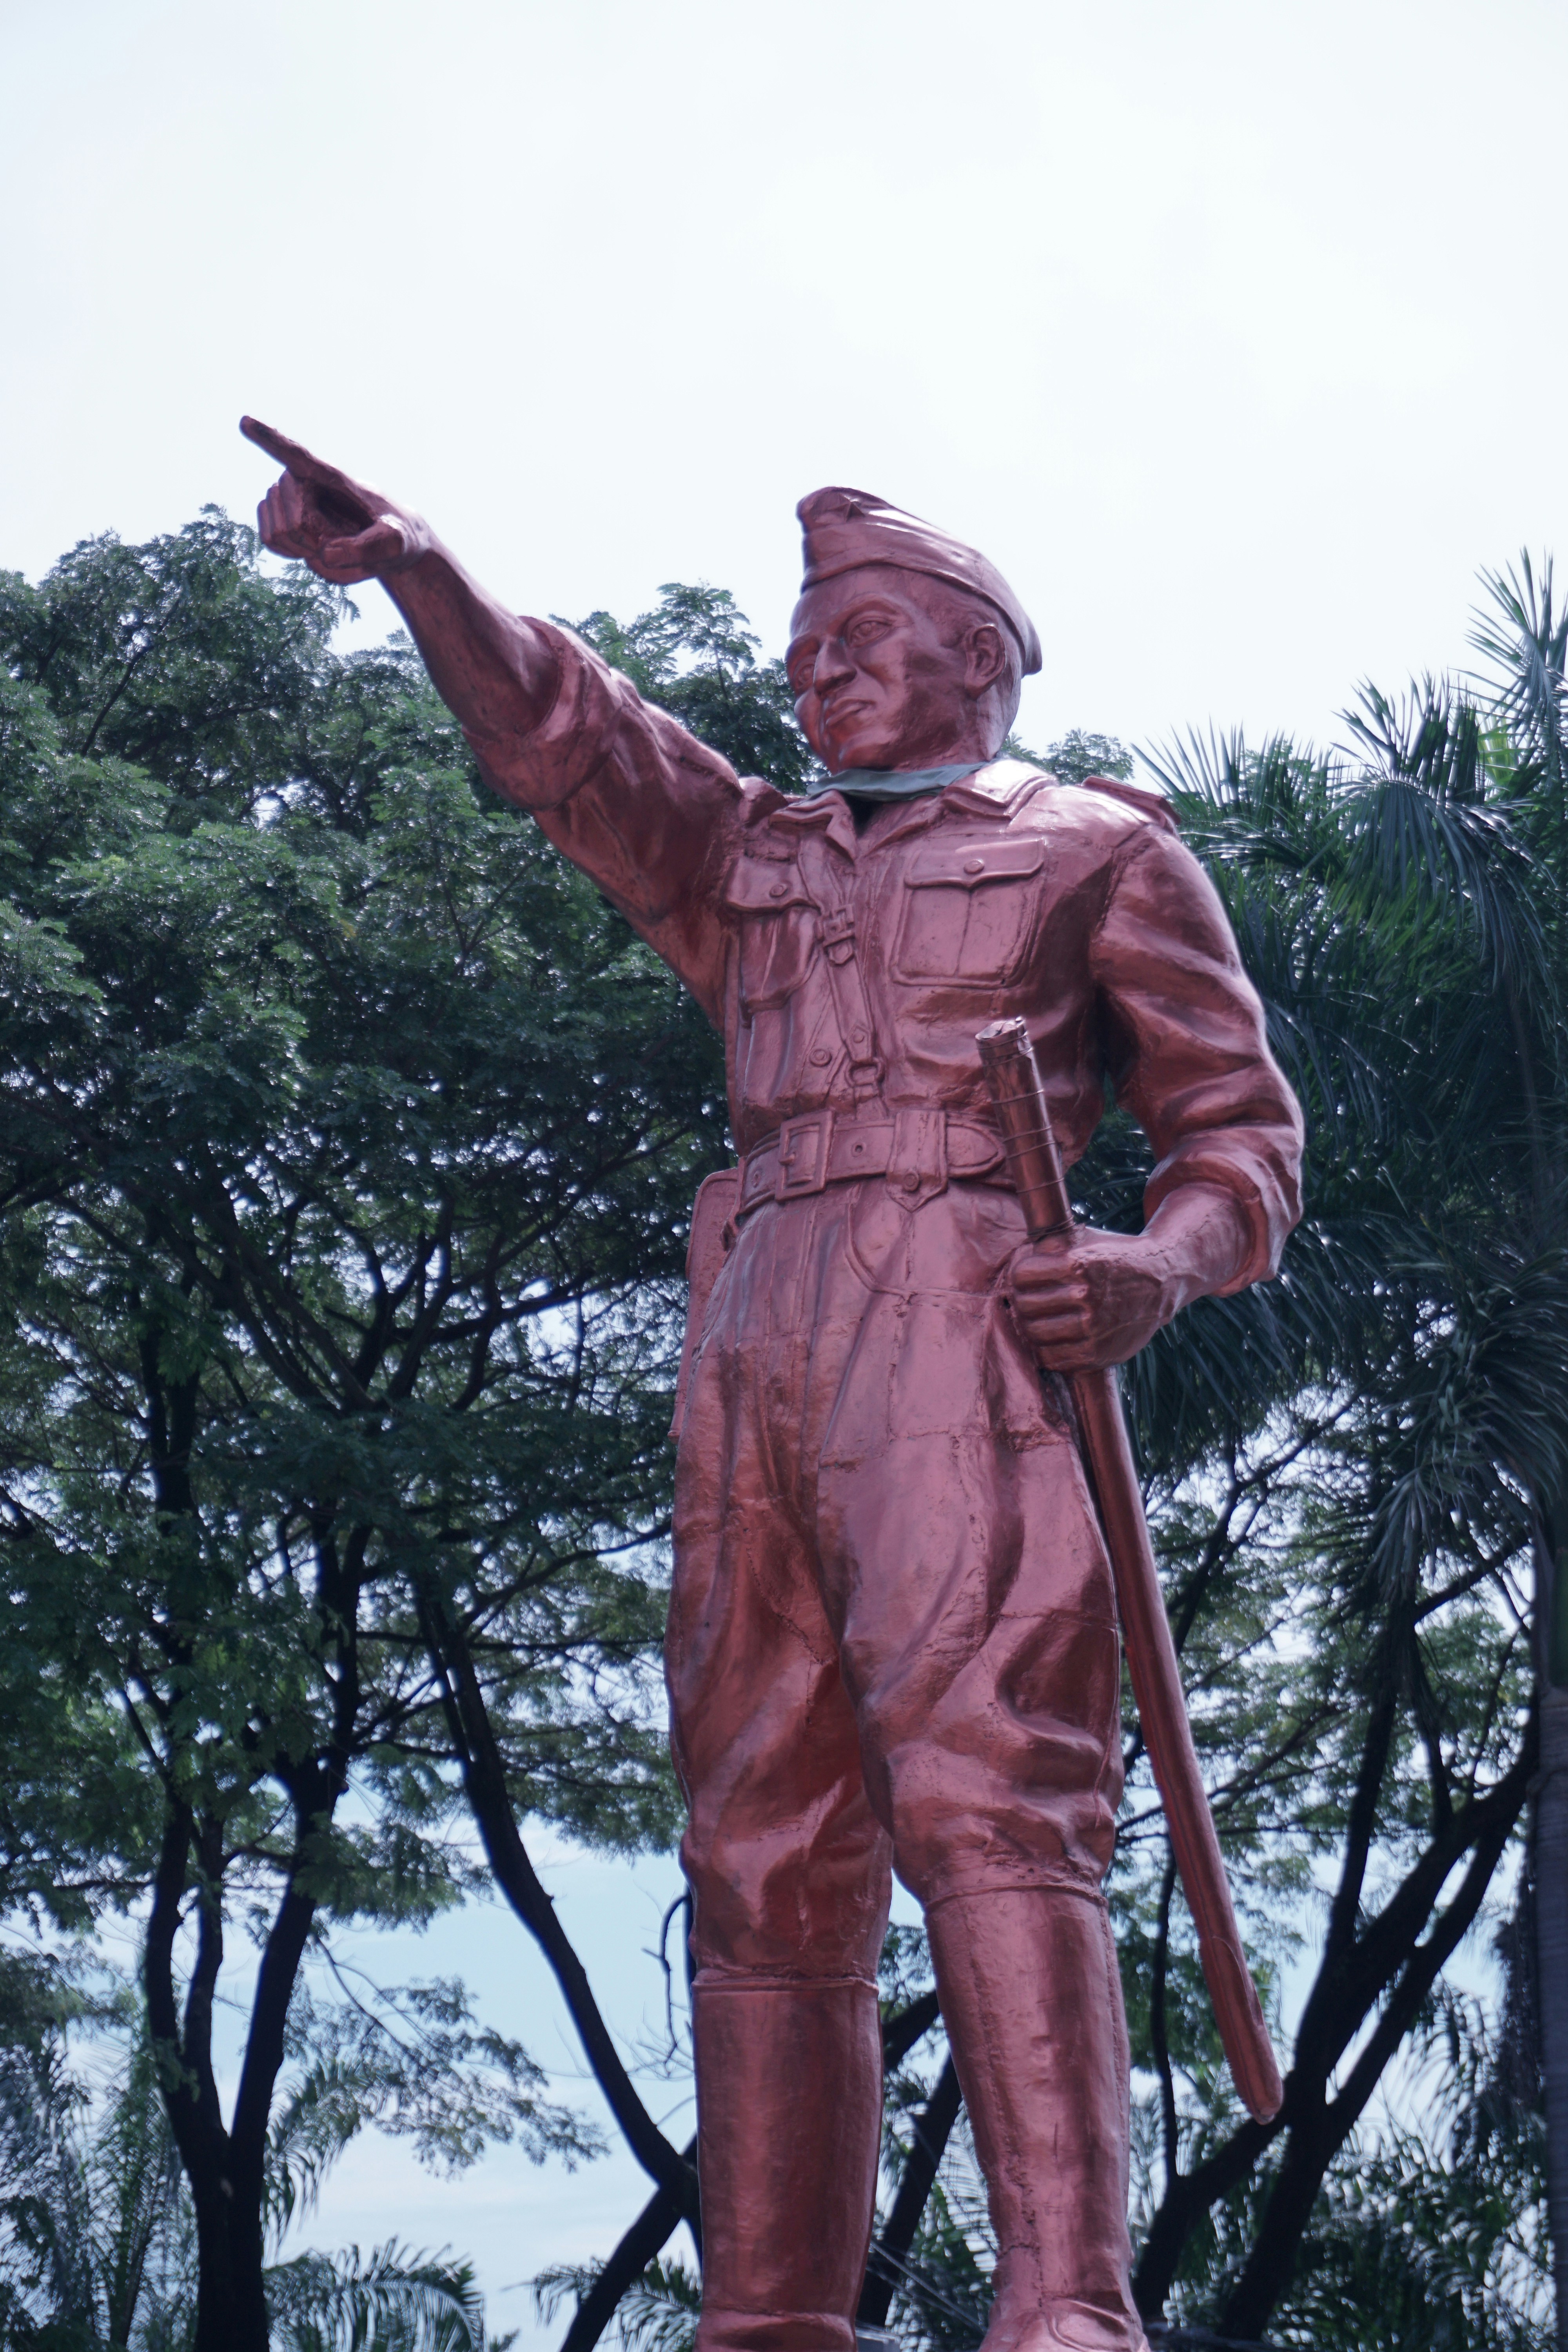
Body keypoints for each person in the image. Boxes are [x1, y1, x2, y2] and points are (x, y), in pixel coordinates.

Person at [245, 422, 1305, 2352]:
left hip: (966, 1306)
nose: (814, 668)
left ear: (976, 663)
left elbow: (1239, 1133)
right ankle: (770, 2315)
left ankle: (1063, 2296)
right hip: (756, 1316)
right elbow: (572, 739)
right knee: (754, 1817)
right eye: (805, 640)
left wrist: (1154, 1262)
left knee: (993, 1791)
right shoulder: (749, 851)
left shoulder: (1098, 850)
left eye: (863, 634)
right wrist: (414, 568)